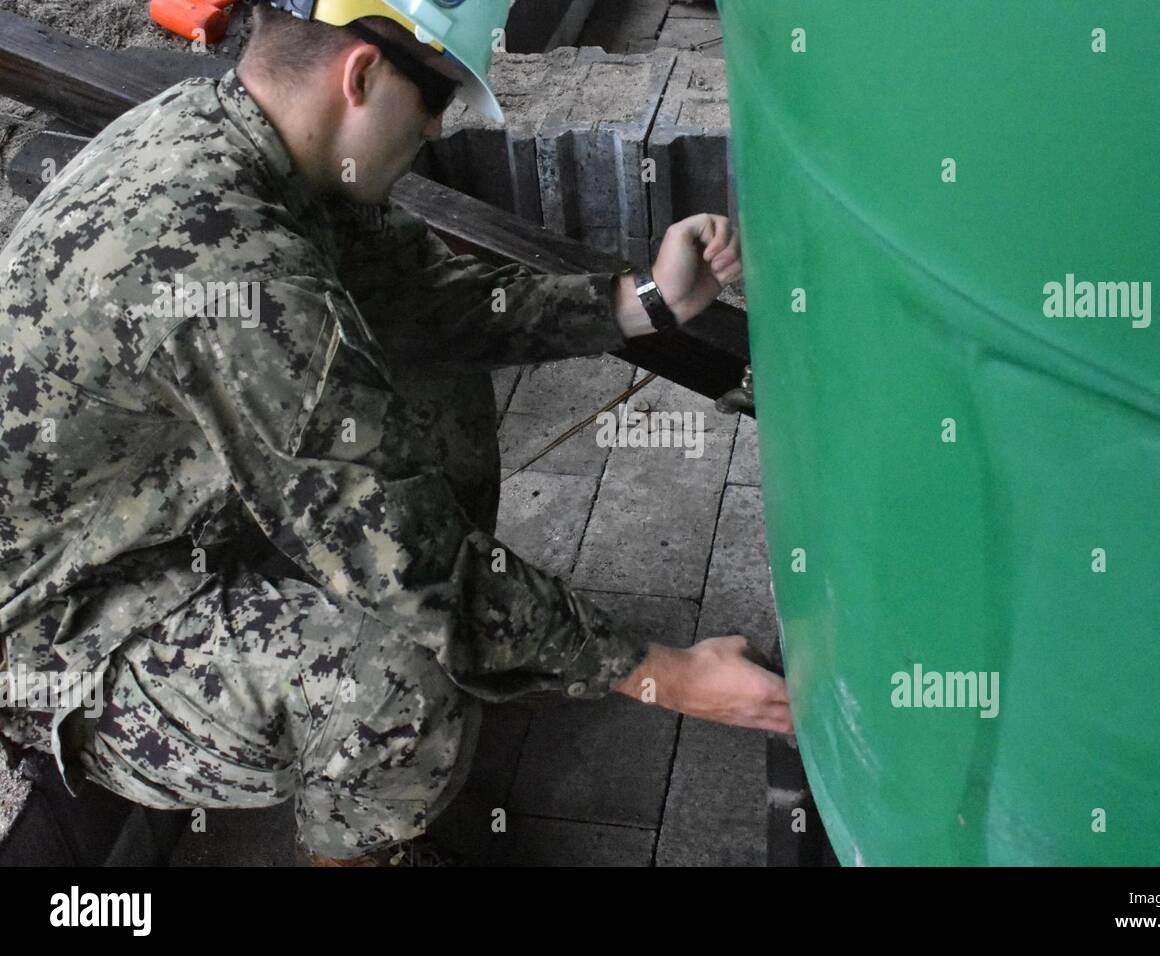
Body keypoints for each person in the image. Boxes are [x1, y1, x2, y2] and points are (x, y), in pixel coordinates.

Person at [0, 0, 790, 864]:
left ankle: (470, 649)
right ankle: (362, 847)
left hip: (155, 524)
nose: (440, 128)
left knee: (426, 387)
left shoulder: (244, 139)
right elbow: (404, 554)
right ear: (363, 75)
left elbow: (432, 300)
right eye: (438, 99)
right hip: (71, 635)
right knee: (395, 678)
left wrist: (643, 304)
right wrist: (664, 675)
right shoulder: (218, 253)